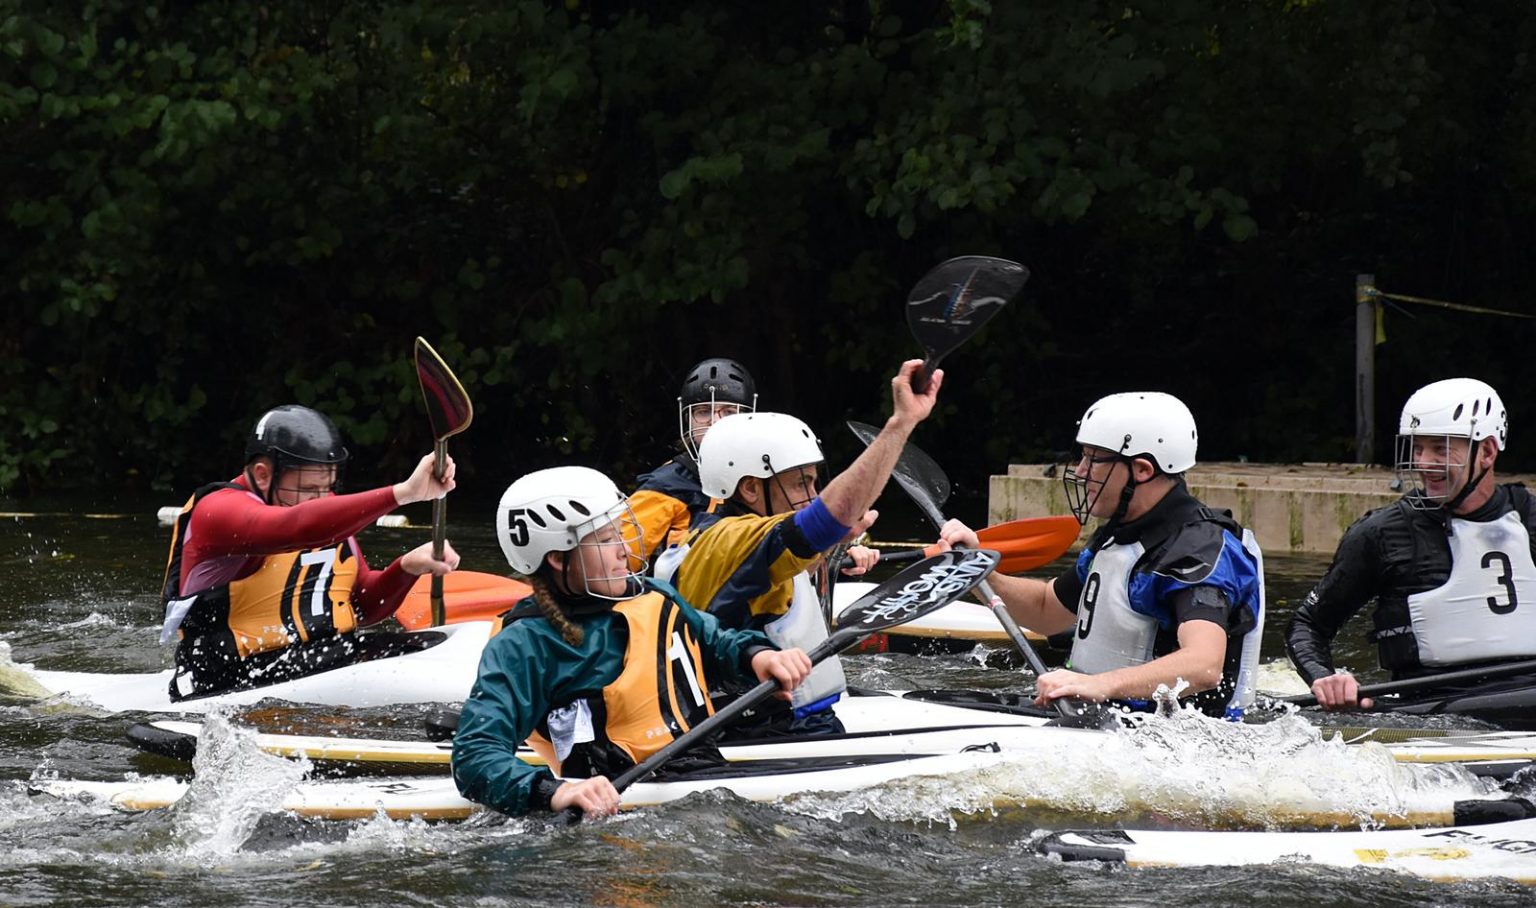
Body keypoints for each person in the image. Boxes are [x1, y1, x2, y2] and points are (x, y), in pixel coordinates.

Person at [452, 466, 811, 817]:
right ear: (559, 558)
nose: (623, 549)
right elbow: (475, 754)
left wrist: (757, 657)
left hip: (701, 769)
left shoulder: (653, 595)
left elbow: (715, 641)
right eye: (606, 540)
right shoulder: (524, 643)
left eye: (621, 534)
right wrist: (556, 791)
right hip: (615, 803)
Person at [659, 359, 942, 735]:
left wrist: (834, 545)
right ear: (749, 488)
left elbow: (774, 571)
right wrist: (901, 423)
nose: (812, 496)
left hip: (791, 724)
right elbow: (826, 517)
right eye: (800, 484)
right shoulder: (731, 539)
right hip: (775, 733)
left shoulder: (726, 536)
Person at [940, 392, 1265, 718]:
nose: (1081, 472)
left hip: (1177, 743)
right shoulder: (1121, 535)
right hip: (1102, 721)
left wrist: (1101, 684)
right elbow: (1045, 609)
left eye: (1095, 459)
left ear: (1141, 470)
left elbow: (1204, 665)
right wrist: (976, 571)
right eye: (1083, 457)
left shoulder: (1198, 549)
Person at [158, 405, 459, 701]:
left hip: (321, 663)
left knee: (431, 647)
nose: (321, 498)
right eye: (309, 488)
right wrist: (404, 492)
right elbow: (295, 528)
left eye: (326, 487)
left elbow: (363, 607)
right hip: (231, 681)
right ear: (263, 475)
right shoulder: (217, 512)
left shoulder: (322, 516)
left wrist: (407, 567)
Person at [1287, 378, 1535, 710]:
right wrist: (1325, 678)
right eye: (1418, 448)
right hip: (1433, 712)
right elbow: (1307, 625)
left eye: (1440, 448)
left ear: (1487, 451)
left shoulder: (1531, 519)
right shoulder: (1381, 534)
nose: (1423, 463)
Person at [629, 357, 758, 569]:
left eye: (728, 412)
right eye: (703, 412)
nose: (715, 422)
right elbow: (618, 564)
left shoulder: (765, 478)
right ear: (688, 419)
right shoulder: (663, 487)